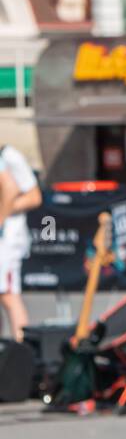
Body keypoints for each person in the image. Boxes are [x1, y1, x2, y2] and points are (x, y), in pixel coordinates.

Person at [0, 144, 41, 341]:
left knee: (8, 295)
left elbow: (33, 196)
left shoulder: (9, 156)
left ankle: (23, 353)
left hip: (7, 240)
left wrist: (1, 214)